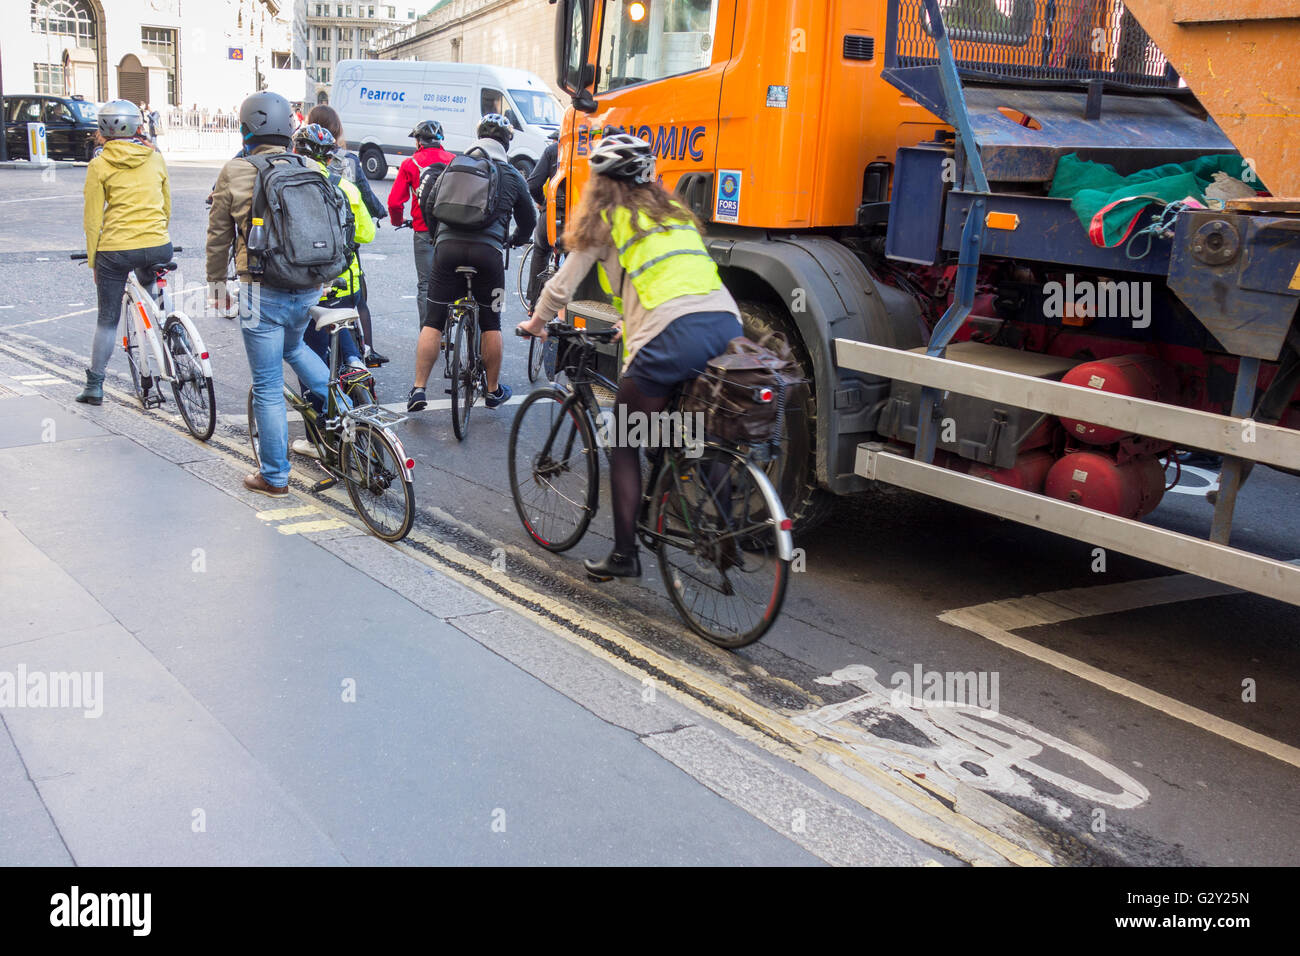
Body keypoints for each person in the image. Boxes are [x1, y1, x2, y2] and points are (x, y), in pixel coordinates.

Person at [517, 134, 742, 580]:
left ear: (602, 183)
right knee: (699, 430)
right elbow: (663, 275)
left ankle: (624, 556)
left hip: (671, 335)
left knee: (623, 438)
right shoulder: (675, 213)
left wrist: (536, 323)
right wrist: (628, 321)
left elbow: (562, 285)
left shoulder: (606, 220)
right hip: (725, 324)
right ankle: (726, 533)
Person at [206, 91, 334, 498]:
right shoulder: (312, 165)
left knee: (266, 385)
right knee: (294, 349)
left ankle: (275, 476)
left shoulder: (235, 170)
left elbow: (218, 235)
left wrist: (216, 284)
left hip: (261, 288)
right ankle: (349, 418)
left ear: (247, 128)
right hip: (308, 283)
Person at [408, 114, 535, 412]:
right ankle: (492, 391)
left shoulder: (454, 165)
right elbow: (529, 220)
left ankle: (418, 389)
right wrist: (514, 239)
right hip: (489, 256)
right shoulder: (512, 175)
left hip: (447, 251)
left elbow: (428, 203)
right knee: (492, 322)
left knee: (433, 321)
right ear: (506, 142)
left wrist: (438, 236)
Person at [75, 100, 172, 407]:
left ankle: (94, 386)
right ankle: (175, 335)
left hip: (116, 250)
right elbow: (165, 205)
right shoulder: (155, 158)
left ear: (103, 130)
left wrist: (94, 260)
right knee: (151, 282)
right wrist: (156, 233)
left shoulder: (99, 165)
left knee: (107, 319)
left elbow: (93, 221)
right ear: (137, 126)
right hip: (158, 242)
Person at [306, 104, 389, 366]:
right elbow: (365, 195)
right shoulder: (350, 162)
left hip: (314, 254)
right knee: (358, 297)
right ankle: (367, 350)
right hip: (347, 241)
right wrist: (380, 212)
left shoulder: (299, 165)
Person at [386, 119, 454, 332]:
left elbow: (395, 202)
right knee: (450, 280)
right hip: (451, 230)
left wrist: (398, 221)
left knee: (426, 284)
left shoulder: (410, 164)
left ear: (419, 142)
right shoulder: (453, 160)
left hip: (424, 228)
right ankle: (452, 326)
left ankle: (429, 333)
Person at [525, 129, 561, 307]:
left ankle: (534, 303)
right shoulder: (587, 149)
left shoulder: (553, 151)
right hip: (581, 216)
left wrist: (543, 203)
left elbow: (533, 184)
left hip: (553, 213)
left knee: (540, 250)